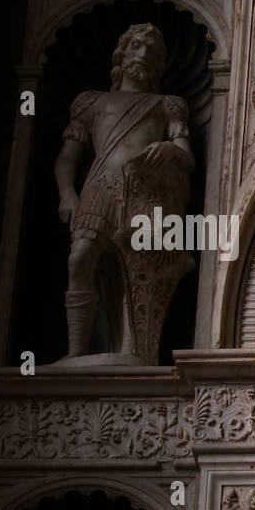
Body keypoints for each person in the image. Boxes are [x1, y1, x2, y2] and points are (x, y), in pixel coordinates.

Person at [54, 23, 194, 362]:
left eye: (151, 51)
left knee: (136, 268)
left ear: (159, 64)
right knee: (80, 258)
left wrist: (171, 149)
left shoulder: (167, 105)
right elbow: (67, 157)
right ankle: (76, 351)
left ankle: (133, 351)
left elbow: (187, 156)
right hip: (100, 185)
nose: (143, 54)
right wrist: (66, 193)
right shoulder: (90, 102)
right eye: (136, 46)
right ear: (122, 53)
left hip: (144, 194)